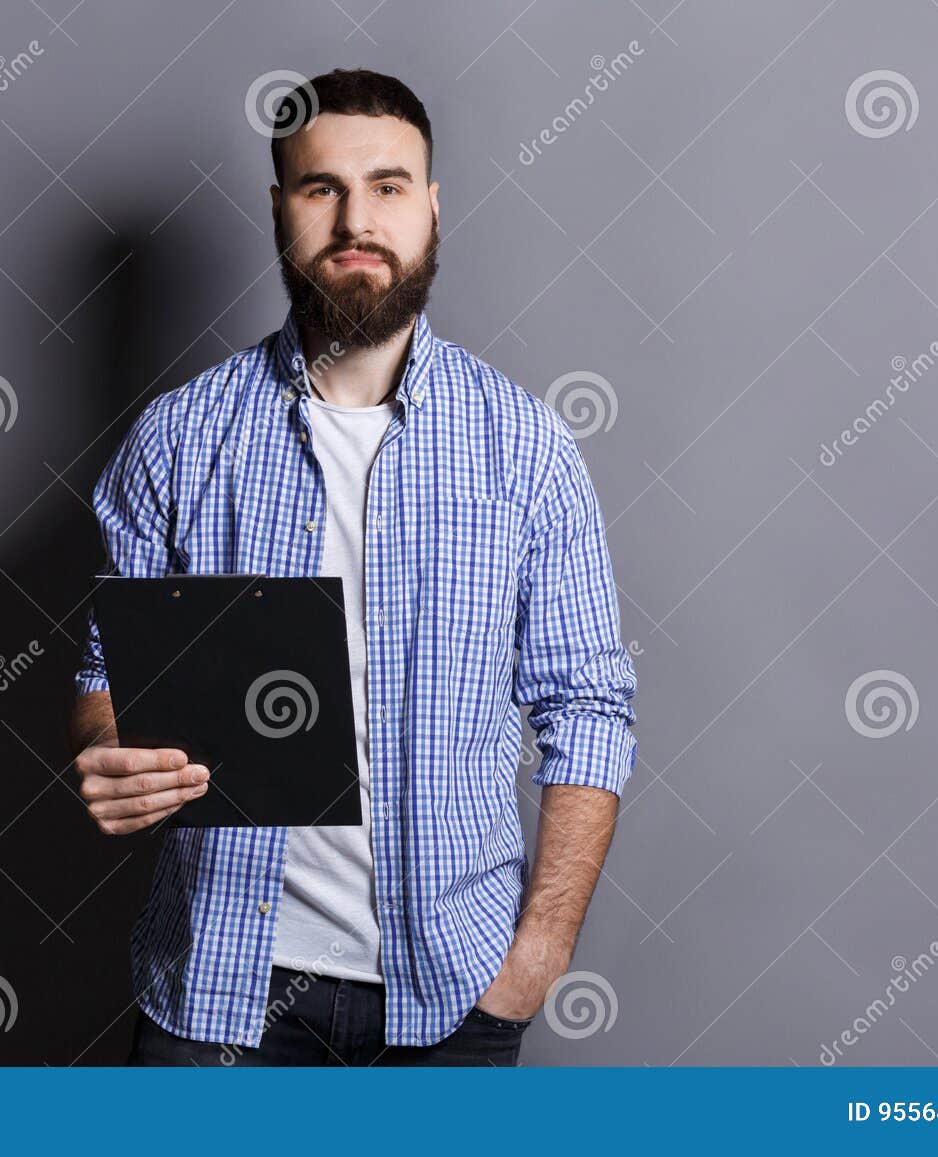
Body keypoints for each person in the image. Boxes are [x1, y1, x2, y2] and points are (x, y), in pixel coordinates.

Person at [69, 68, 638, 1066]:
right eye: (320, 187)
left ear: (430, 205)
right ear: (280, 208)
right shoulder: (178, 438)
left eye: (387, 184)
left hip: (450, 1001)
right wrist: (116, 759)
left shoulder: (525, 448)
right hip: (215, 994)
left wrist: (537, 954)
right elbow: (102, 684)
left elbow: (588, 706)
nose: (354, 219)